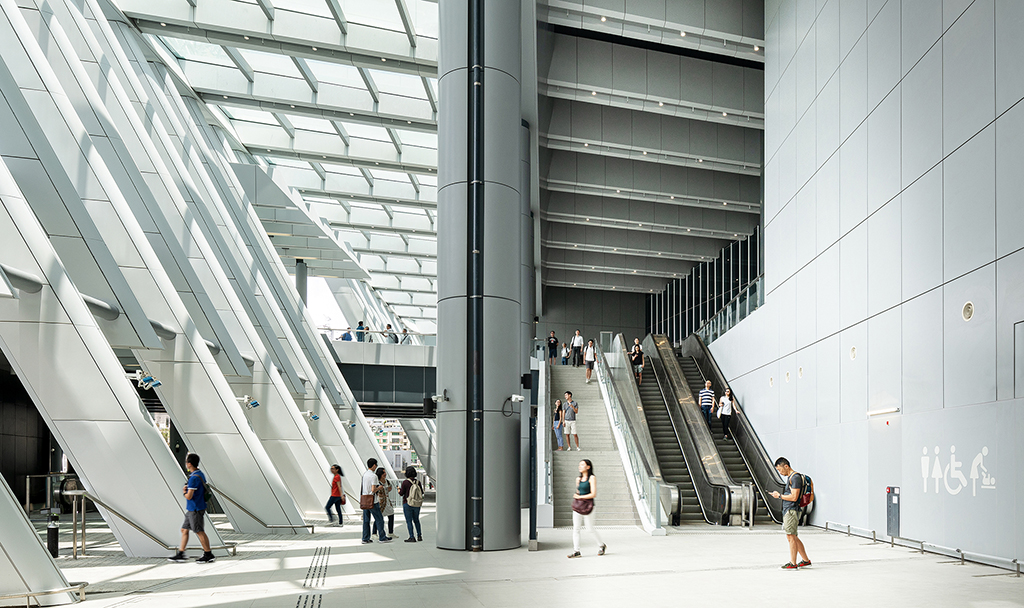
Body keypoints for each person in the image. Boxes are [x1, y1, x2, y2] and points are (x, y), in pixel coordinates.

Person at [168, 453, 215, 563]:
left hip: (195, 509)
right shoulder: (200, 474)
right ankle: (181, 553)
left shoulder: (193, 478)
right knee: (184, 530)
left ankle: (208, 554)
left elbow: (189, 496)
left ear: (189, 464)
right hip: (192, 509)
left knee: (199, 531)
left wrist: (184, 492)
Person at [770, 457, 811, 570]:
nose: (780, 472)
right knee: (793, 536)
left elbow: (794, 497)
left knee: (791, 536)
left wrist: (779, 496)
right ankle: (806, 560)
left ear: (786, 466)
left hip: (792, 510)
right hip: (790, 509)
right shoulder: (791, 478)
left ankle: (793, 563)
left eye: (780, 469)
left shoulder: (795, 478)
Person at [567, 459, 605, 558]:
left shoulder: (592, 478)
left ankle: (601, 545)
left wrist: (579, 497)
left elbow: (593, 494)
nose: (580, 466)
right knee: (576, 529)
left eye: (582, 465)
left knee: (589, 528)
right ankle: (576, 551)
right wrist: (577, 496)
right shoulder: (578, 479)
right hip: (578, 506)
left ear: (588, 467)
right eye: (579, 465)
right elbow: (578, 492)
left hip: (588, 506)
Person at [360, 458, 390, 544]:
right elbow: (373, 490)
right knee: (379, 519)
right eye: (376, 465)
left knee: (366, 520)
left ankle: (365, 538)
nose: (376, 467)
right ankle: (382, 537)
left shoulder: (364, 474)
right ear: (373, 465)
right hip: (373, 501)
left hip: (365, 499)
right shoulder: (374, 476)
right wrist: (379, 488)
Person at [398, 466, 423, 542]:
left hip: (407, 503)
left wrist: (399, 490)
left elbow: (401, 493)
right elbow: (421, 492)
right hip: (417, 503)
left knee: (409, 521)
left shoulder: (405, 482)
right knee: (416, 520)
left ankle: (411, 537)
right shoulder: (418, 482)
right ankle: (419, 535)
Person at [377, 467, 395, 538]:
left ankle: (391, 532)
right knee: (379, 517)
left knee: (391, 514)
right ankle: (374, 533)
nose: (385, 474)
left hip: (387, 500)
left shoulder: (387, 481)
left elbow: (389, 488)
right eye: (383, 473)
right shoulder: (377, 482)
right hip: (380, 501)